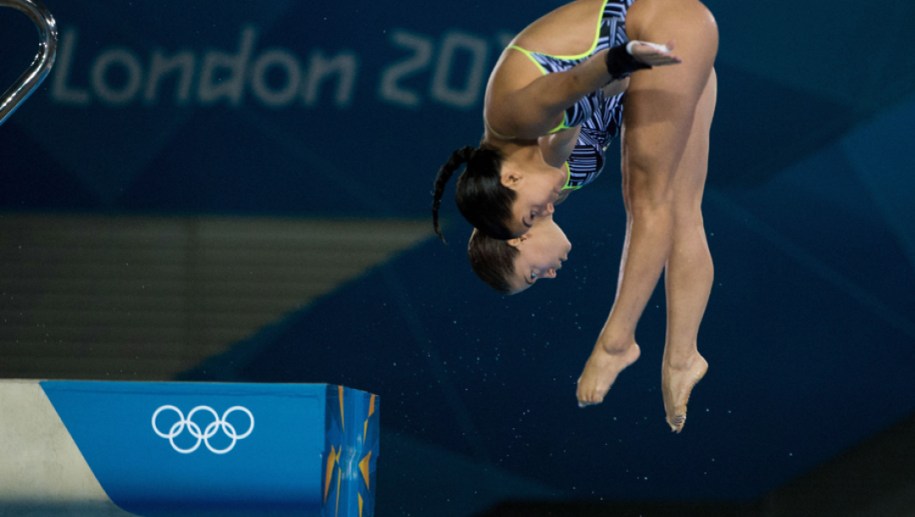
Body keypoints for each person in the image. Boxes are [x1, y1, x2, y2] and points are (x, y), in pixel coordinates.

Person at [435, 0, 719, 433]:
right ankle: (682, 355)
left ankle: (616, 342)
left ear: (517, 238)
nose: (544, 209)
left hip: (652, 28)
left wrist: (621, 60)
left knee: (646, 198)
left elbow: (569, 84)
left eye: (529, 217)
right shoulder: (542, 170)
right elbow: (577, 120)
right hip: (659, 63)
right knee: (680, 211)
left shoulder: (511, 119)